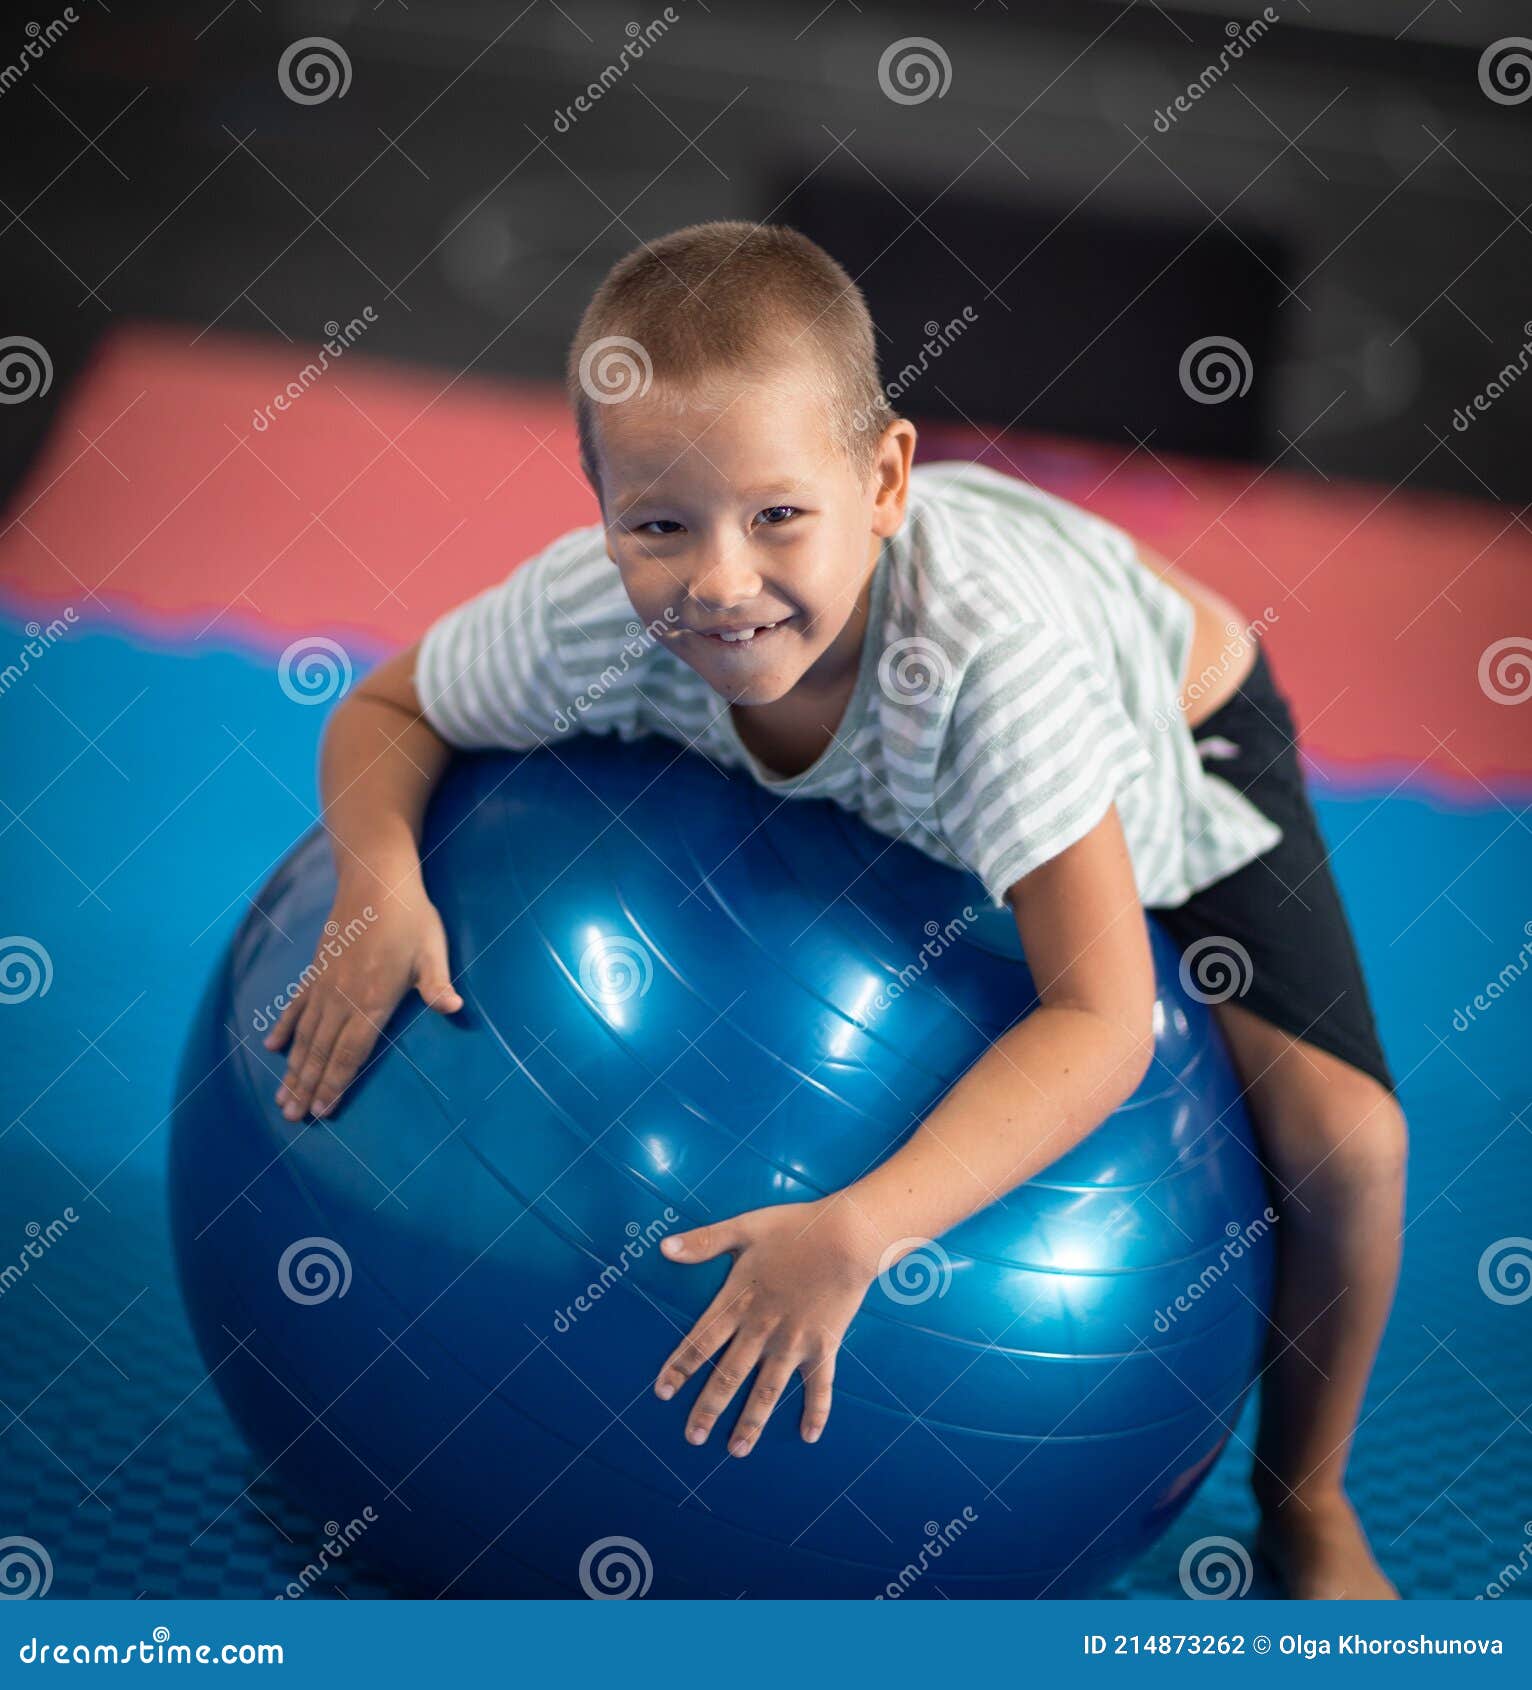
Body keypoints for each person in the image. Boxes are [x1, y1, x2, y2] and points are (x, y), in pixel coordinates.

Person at [265, 221, 1406, 1599]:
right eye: (658, 525)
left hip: (1170, 704)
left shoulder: (997, 676)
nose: (721, 583)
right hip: (946, 722)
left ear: (883, 480)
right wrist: (379, 881)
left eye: (779, 516)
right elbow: (391, 704)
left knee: (1350, 1142)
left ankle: (1308, 1493)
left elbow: (1102, 1019)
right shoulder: (597, 614)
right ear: (600, 507)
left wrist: (859, 1226)